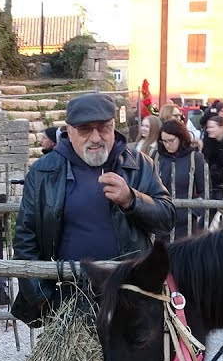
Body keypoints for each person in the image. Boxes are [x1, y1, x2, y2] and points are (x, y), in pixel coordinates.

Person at [10, 93, 175, 326]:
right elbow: (26, 239)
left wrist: (132, 199)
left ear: (113, 126)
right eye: (85, 129)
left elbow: (166, 220)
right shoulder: (44, 172)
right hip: (71, 297)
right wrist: (42, 299)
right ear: (69, 130)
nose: (96, 138)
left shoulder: (139, 165)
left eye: (104, 128)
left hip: (130, 294)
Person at [156, 120, 207, 238]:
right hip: (160, 220)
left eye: (171, 140)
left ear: (181, 138)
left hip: (185, 224)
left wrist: (193, 213)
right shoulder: (157, 157)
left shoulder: (195, 158)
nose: (167, 144)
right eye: (164, 141)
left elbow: (205, 191)